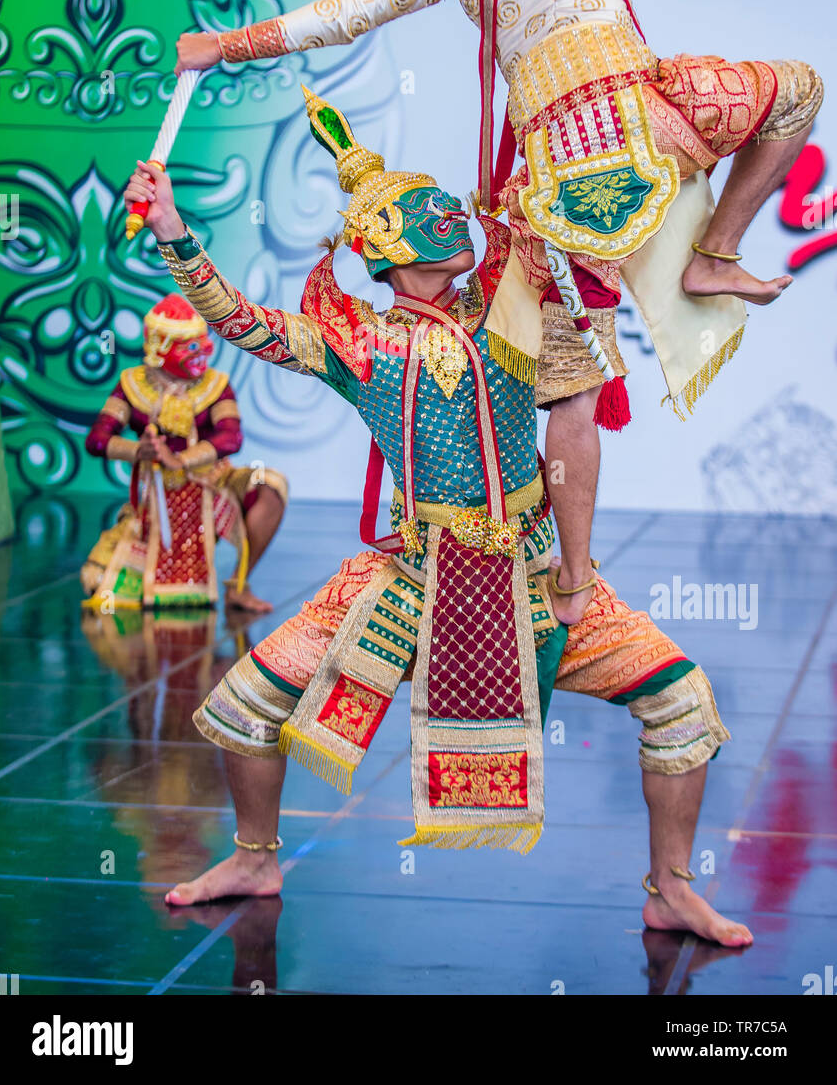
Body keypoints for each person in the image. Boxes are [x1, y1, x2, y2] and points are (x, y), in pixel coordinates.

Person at [172, 0, 823, 630]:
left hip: (557, 182)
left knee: (572, 387)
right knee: (797, 92)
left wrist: (224, 46)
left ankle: (574, 577)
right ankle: (715, 254)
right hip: (654, 124)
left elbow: (344, 15)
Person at [123, 85, 752, 948]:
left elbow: (546, 232)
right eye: (427, 209)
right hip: (410, 578)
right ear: (386, 244)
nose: (449, 212)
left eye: (444, 201)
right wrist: (170, 230)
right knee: (240, 705)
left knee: (682, 701)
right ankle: (256, 857)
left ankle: (671, 889)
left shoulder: (510, 304)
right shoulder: (356, 341)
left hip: (533, 572)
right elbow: (238, 320)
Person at [81, 293, 287, 613]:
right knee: (100, 585)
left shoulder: (216, 384)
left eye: (203, 342)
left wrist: (181, 460)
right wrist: (140, 451)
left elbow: (231, 438)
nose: (204, 350)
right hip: (157, 496)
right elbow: (96, 440)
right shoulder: (132, 385)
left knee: (271, 486)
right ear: (161, 347)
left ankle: (239, 586)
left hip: (213, 485)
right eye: (191, 346)